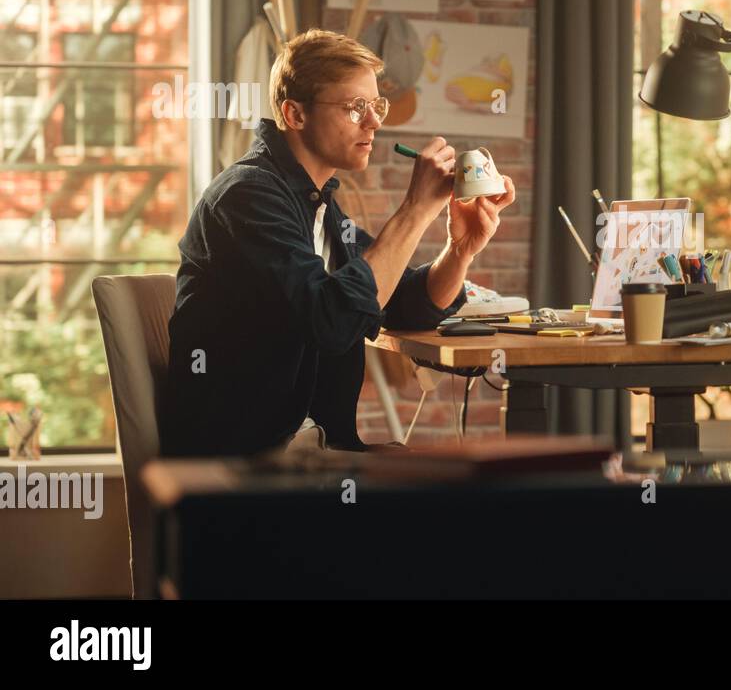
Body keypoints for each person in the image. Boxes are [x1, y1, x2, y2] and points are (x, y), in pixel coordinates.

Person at [159, 29, 514, 456]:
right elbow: (333, 322)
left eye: (375, 105)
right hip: (245, 469)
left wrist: (461, 248)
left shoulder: (318, 204)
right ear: (295, 114)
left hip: (315, 455)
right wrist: (416, 210)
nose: (375, 121)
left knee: (462, 488)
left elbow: (404, 305)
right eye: (354, 107)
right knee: (464, 493)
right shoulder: (248, 196)